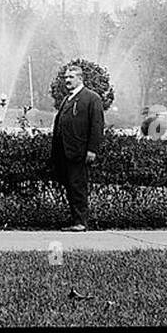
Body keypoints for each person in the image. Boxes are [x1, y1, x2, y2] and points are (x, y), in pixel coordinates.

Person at [50, 64, 105, 231]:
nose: (67, 80)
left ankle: (81, 222)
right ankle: (76, 221)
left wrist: (92, 150)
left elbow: (97, 125)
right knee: (71, 186)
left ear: (80, 78)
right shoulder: (68, 99)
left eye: (71, 77)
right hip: (65, 152)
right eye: (66, 77)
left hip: (79, 152)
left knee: (78, 186)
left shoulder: (91, 98)